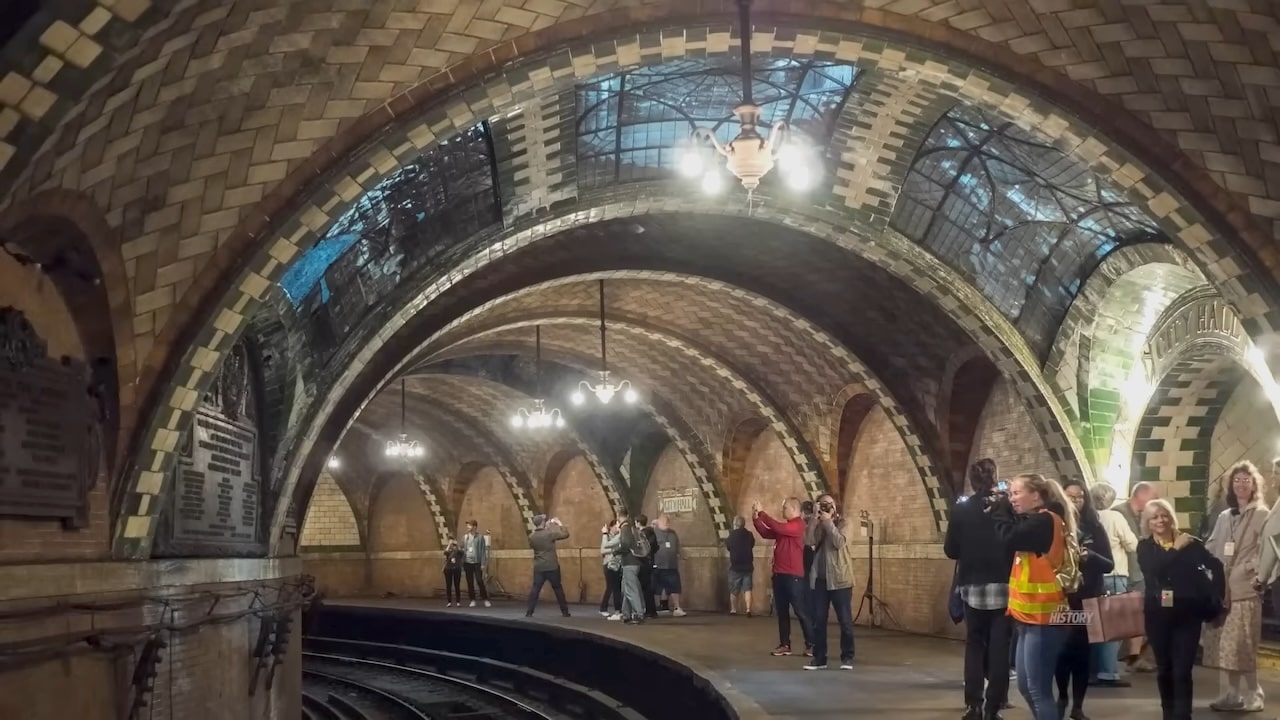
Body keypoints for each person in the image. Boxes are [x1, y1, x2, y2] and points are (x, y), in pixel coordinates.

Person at [989, 473, 1077, 720]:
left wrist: (1000, 509)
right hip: (1028, 616)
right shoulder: (1034, 521)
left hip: (1045, 619)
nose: (1012, 499)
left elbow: (1007, 536)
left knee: (1039, 690)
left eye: (1016, 493)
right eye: (1010, 494)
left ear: (1036, 496)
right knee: (1026, 686)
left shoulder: (1044, 522)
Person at [1138, 498, 1224, 720]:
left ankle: (1182, 715)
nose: (1160, 520)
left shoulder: (1191, 543)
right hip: (1158, 616)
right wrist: (1175, 548)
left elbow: (1216, 565)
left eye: (1164, 515)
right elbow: (1154, 570)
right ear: (1147, 522)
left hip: (1188, 614)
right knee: (1165, 668)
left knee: (1182, 670)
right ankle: (1169, 713)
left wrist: (1217, 596)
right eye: (1154, 517)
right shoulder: (1145, 547)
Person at [945, 459, 1015, 720]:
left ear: (972, 482)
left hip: (972, 585)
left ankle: (973, 704)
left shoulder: (961, 510)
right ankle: (993, 708)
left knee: (974, 644)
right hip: (1004, 585)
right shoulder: (1007, 507)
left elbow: (950, 550)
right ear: (996, 477)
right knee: (1000, 649)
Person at [1203, 460, 1269, 712]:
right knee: (1226, 647)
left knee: (1244, 644)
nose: (1241, 484)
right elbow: (1212, 545)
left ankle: (1255, 693)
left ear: (1254, 484)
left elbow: (1267, 549)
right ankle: (1231, 693)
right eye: (1237, 480)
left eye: (1246, 480)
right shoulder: (1224, 516)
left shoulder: (1263, 514)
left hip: (1245, 590)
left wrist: (1249, 570)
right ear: (1230, 484)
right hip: (1222, 590)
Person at [1055, 478, 1113, 720]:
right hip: (1062, 599)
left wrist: (1090, 556)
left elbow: (1109, 564)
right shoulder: (1055, 524)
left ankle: (1078, 705)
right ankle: (1062, 697)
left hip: (1087, 598)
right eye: (1069, 496)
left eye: (1078, 496)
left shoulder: (1094, 527)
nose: (1074, 501)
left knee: (1081, 654)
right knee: (1061, 652)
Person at [1088, 482, 1138, 687]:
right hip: (1115, 576)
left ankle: (1092, 671)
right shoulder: (1115, 517)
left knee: (1094, 628)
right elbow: (1132, 544)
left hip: (1093, 578)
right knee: (1113, 628)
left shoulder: (1088, 518)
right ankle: (1108, 672)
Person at [753, 497, 812, 657]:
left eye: (784, 508)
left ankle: (812, 644)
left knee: (801, 611)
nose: (782, 511)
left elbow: (775, 526)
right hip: (779, 575)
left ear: (794, 509)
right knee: (782, 612)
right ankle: (785, 644)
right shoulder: (785, 529)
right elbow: (766, 533)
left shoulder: (798, 525)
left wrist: (762, 513)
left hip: (793, 577)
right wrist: (756, 518)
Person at [803, 493, 855, 671]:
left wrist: (828, 522)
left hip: (841, 579)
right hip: (820, 580)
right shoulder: (817, 524)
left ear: (835, 507)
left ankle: (847, 657)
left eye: (828, 504)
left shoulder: (845, 523)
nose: (825, 507)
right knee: (818, 620)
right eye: (822, 504)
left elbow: (839, 542)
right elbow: (809, 540)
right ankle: (819, 659)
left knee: (845, 621)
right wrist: (814, 520)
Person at [1112, 482, 1159, 672]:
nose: (1155, 502)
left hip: (1139, 573)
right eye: (1153, 498)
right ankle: (1112, 661)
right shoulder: (1118, 513)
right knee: (1118, 618)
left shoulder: (1143, 516)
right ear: (1140, 495)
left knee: (1139, 617)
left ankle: (1134, 657)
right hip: (1122, 572)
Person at [525, 515, 571, 618]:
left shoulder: (531, 536)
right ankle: (565, 612)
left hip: (539, 567)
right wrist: (559, 524)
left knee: (535, 589)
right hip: (552, 566)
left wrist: (546, 527)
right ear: (543, 523)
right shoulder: (549, 534)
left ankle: (529, 612)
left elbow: (538, 539)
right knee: (558, 589)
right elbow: (566, 534)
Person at [652, 515, 686, 616]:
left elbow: (678, 546)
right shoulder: (654, 533)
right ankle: (656, 607)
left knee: (675, 587)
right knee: (656, 588)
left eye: (667, 521)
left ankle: (677, 608)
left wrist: (681, 554)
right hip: (658, 565)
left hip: (671, 565)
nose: (665, 523)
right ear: (658, 522)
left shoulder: (673, 533)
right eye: (663, 521)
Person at [617, 509, 648, 624]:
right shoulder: (632, 527)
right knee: (626, 589)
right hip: (633, 562)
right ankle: (626, 614)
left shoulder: (625, 527)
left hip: (630, 562)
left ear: (618, 516)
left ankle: (639, 614)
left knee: (631, 590)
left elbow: (625, 545)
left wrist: (615, 551)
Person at [726, 516, 756, 616]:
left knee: (734, 589)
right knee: (747, 589)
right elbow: (752, 544)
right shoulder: (749, 534)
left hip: (735, 567)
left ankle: (733, 609)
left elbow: (728, 547)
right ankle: (748, 610)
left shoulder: (732, 535)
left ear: (735, 524)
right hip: (748, 566)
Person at [461, 520, 491, 608]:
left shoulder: (480, 537)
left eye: (469, 525)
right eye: (467, 525)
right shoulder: (465, 537)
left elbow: (482, 551)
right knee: (469, 582)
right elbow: (462, 547)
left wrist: (482, 563)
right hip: (467, 562)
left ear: (474, 526)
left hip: (477, 562)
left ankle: (485, 599)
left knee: (479, 580)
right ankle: (472, 600)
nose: (467, 527)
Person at [599, 519, 623, 619]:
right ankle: (611, 609)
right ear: (611, 527)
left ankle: (605, 608)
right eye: (616, 526)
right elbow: (603, 550)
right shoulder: (607, 536)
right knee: (613, 587)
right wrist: (614, 550)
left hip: (617, 564)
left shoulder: (619, 536)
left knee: (613, 587)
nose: (618, 528)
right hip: (609, 564)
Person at [443, 539, 464, 607]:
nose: (453, 546)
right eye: (452, 545)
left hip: (457, 569)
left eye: (454, 545)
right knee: (448, 585)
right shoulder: (448, 550)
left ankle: (458, 601)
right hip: (448, 569)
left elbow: (462, 552)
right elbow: (445, 552)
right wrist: (449, 545)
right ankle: (449, 601)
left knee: (457, 585)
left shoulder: (458, 551)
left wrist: (457, 545)